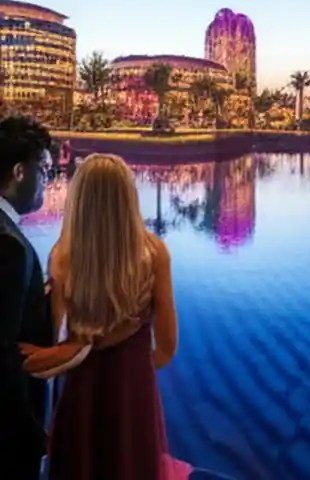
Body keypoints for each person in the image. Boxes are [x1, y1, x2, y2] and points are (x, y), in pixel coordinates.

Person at [21, 154, 188, 480]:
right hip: (134, 387)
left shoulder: (62, 257)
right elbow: (167, 350)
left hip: (81, 387)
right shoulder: (155, 254)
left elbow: (56, 338)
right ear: (129, 196)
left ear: (79, 199)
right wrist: (131, 361)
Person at [0, 116, 55, 479]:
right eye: (45, 170)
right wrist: (33, 435)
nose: (48, 182)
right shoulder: (9, 246)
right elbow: (3, 357)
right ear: (20, 171)